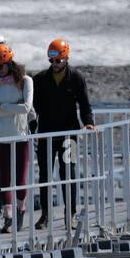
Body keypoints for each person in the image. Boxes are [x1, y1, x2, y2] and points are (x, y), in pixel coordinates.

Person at [32, 37, 95, 229]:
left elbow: (84, 104)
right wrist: (32, 127)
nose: (54, 64)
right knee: (44, 175)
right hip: (45, 134)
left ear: (66, 58)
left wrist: (89, 122)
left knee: (69, 172)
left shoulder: (76, 77)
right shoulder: (40, 79)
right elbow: (33, 107)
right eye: (51, 60)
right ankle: (45, 214)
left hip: (69, 135)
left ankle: (71, 214)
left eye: (58, 60)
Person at [0, 42, 34, 232]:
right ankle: (8, 217)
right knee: (4, 179)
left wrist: (2, 106)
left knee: (20, 178)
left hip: (20, 135)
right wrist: (13, 106)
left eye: (0, 66)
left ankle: (20, 210)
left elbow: (26, 108)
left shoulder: (26, 81)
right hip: (0, 137)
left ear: (8, 62)